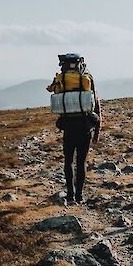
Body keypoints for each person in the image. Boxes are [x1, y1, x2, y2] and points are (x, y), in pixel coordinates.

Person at [47, 53, 102, 204]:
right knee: (81, 161)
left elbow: (54, 93)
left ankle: (70, 195)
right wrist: (97, 130)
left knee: (68, 161)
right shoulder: (87, 78)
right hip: (85, 127)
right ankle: (79, 196)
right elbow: (96, 104)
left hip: (69, 127)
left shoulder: (63, 79)